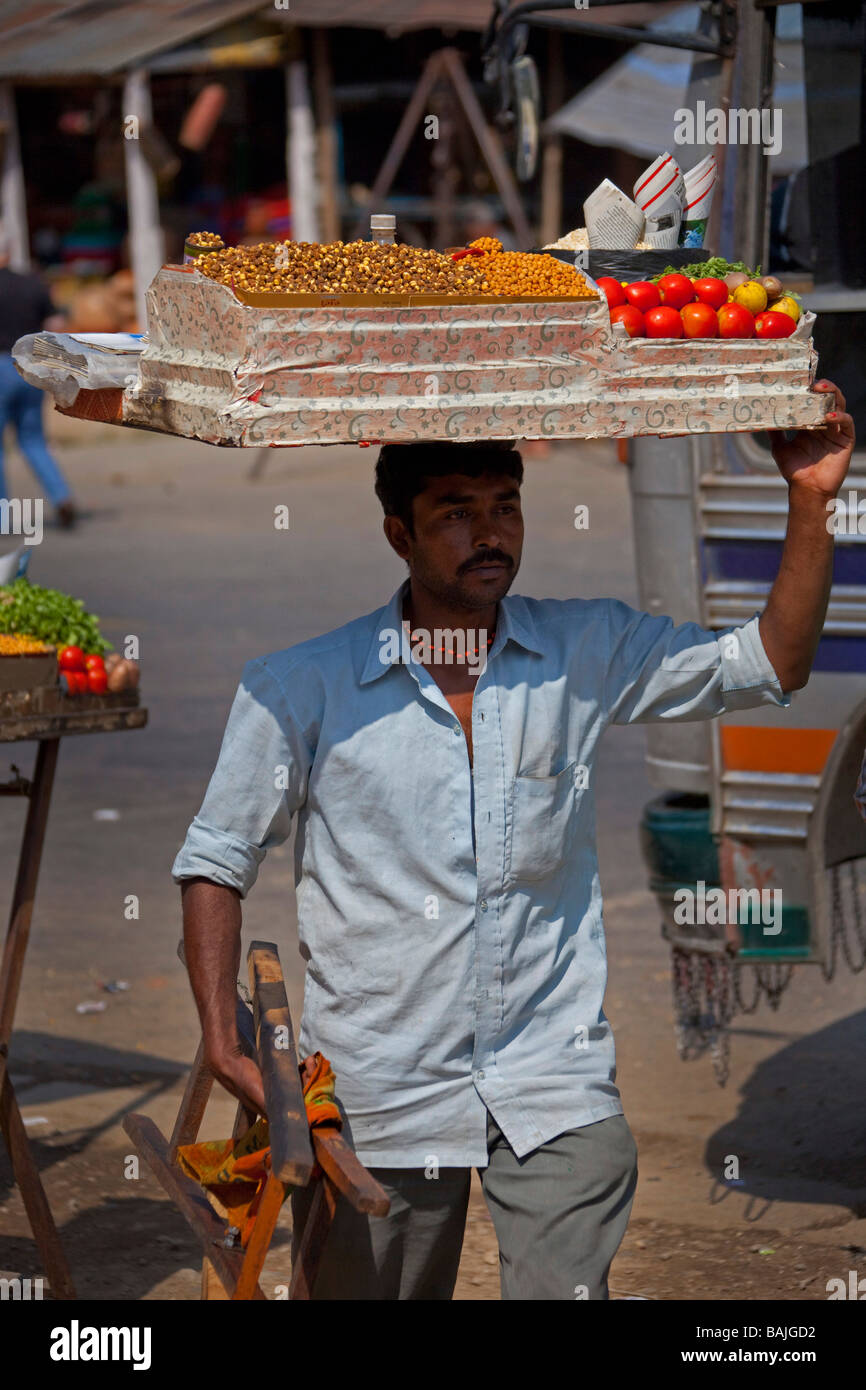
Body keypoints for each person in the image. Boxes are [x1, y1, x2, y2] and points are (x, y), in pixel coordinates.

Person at [173, 381, 854, 1300]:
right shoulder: (299, 687)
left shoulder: (583, 648)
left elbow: (773, 662)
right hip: (381, 1084)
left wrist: (811, 498)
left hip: (550, 1076)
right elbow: (216, 859)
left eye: (505, 508)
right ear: (399, 536)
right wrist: (222, 1035)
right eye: (455, 513)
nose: (489, 533)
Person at [0, 225, 76, 527]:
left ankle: (3, 516)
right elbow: (56, 324)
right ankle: (61, 496)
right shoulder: (34, 284)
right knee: (33, 440)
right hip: (29, 368)